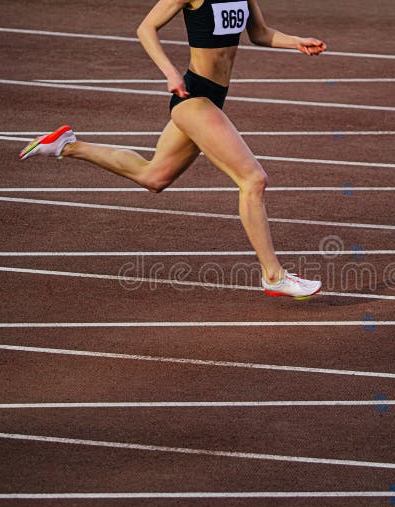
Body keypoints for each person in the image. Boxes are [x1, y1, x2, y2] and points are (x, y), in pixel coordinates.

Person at [20, 0, 327, 298]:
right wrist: (169, 71)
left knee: (153, 176)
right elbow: (146, 28)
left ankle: (66, 145)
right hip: (192, 98)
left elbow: (259, 32)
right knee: (253, 180)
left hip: (212, 98)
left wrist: (296, 42)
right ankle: (273, 276)